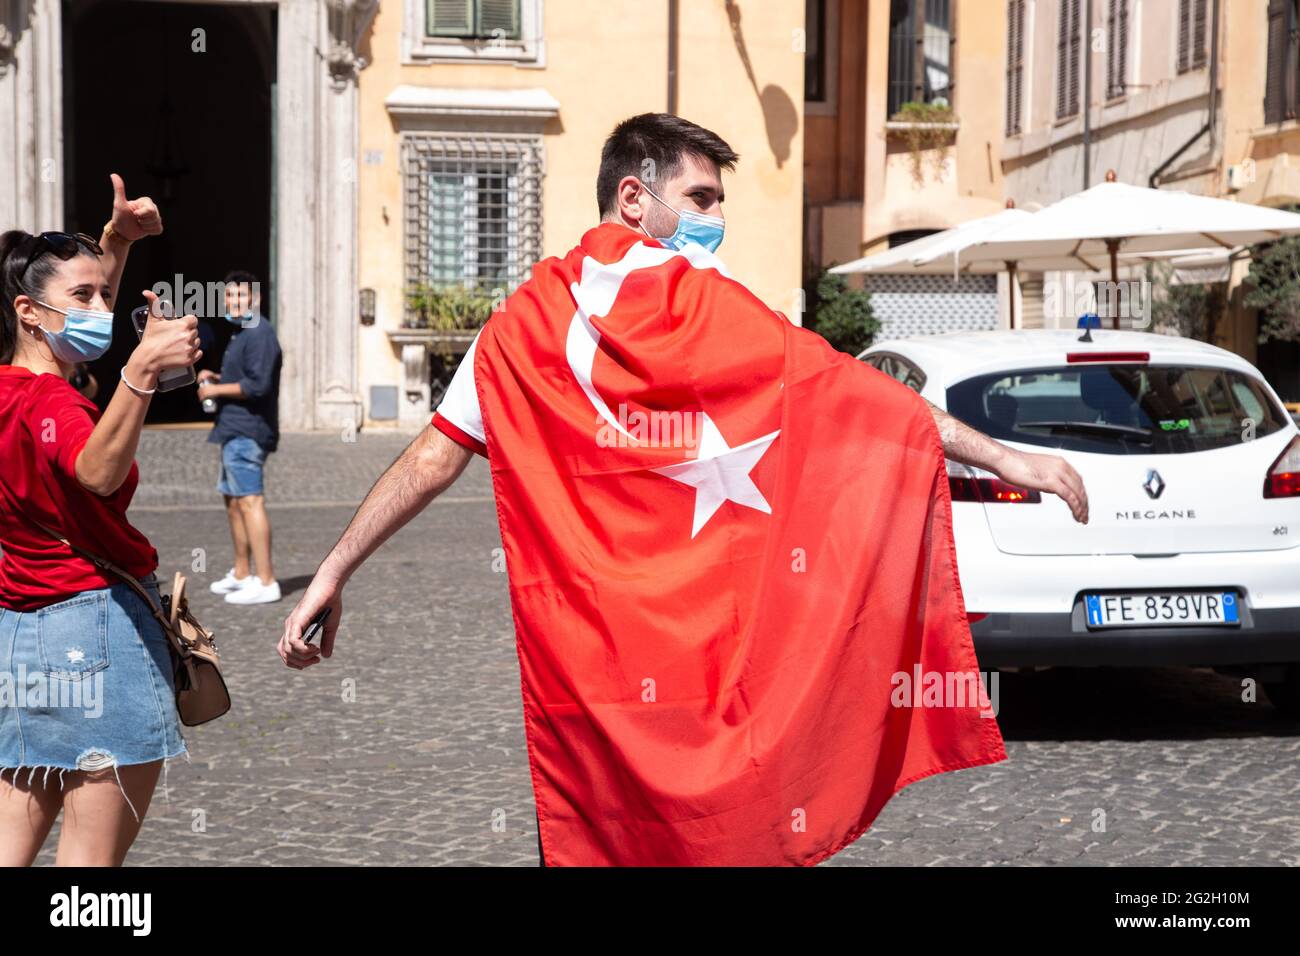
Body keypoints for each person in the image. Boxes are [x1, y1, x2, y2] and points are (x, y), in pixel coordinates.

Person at [280, 114, 1089, 867]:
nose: (716, 221)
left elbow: (432, 459)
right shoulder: (705, 307)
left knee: (599, 834)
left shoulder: (518, 326)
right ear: (634, 198)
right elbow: (857, 396)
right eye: (700, 199)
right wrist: (1003, 457)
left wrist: (332, 570)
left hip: (592, 676)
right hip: (706, 664)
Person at [0, 174, 202, 866]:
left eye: (105, 295)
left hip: (19, 639)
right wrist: (141, 372)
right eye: (81, 298)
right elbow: (95, 471)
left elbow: (74, 309)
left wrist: (114, 241)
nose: (99, 309)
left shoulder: (10, 389)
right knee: (88, 873)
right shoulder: (55, 405)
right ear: (29, 312)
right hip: (95, 632)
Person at [199, 272, 283, 605]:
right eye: (229, 297)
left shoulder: (260, 334)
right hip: (231, 428)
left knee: (250, 501)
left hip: (249, 430)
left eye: (240, 297)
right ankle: (242, 572)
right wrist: (215, 376)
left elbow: (258, 385)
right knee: (233, 502)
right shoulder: (241, 333)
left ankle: (266, 581)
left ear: (256, 299)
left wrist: (215, 389)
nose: (233, 303)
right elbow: (244, 377)